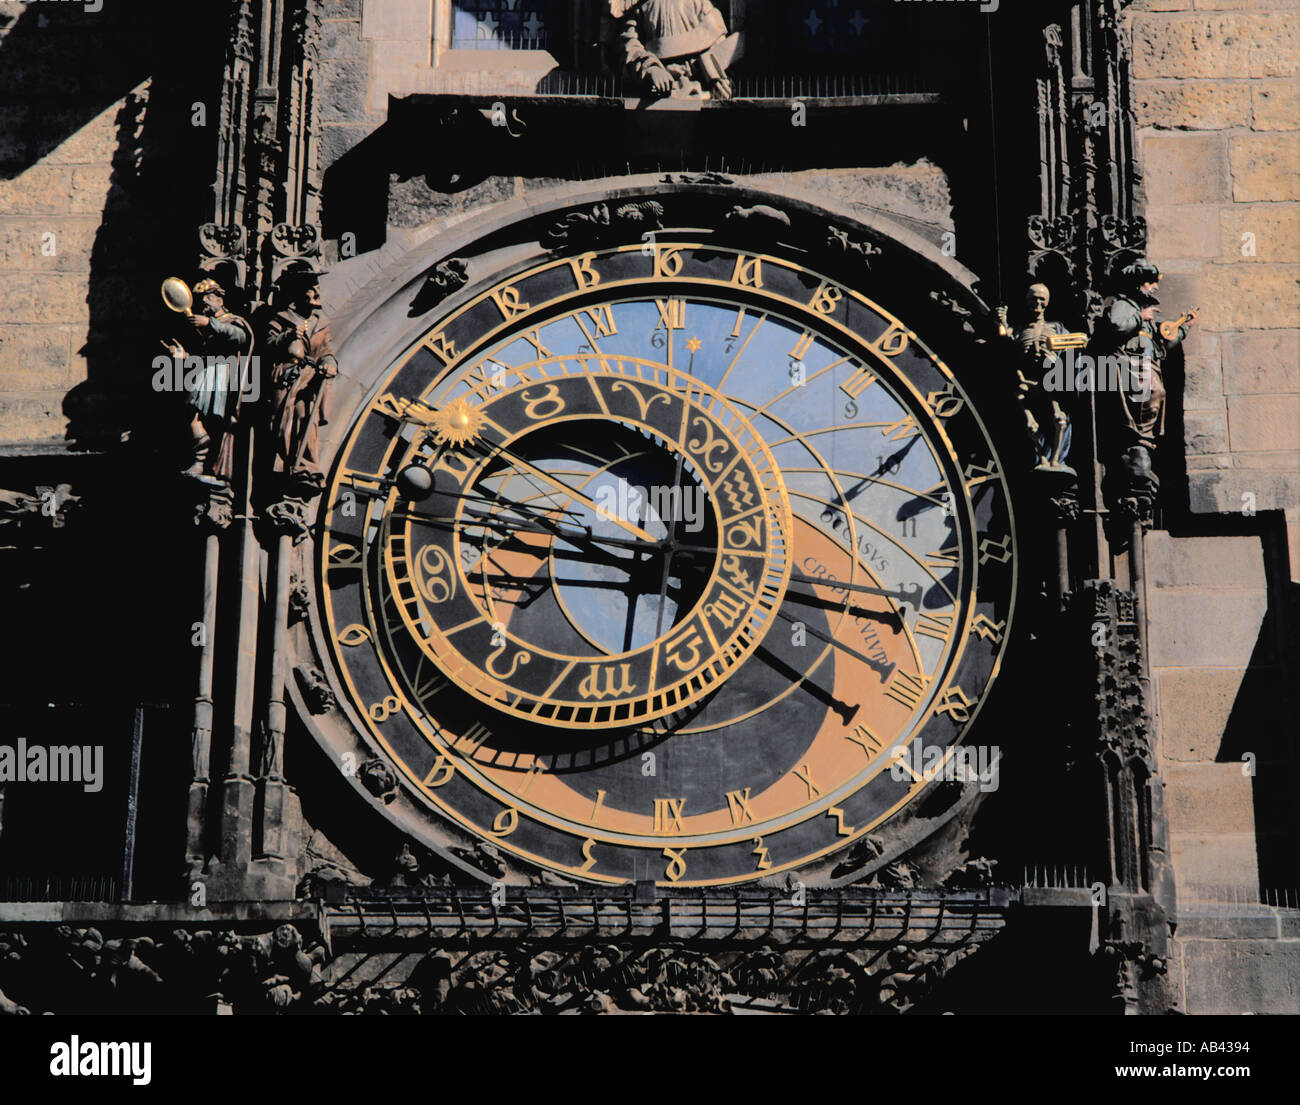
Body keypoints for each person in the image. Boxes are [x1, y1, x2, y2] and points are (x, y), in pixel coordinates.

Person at [161, 277, 254, 485]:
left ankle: (204, 462)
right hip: (207, 373)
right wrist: (184, 356)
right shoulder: (209, 330)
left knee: (215, 421)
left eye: (209, 298)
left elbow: (241, 338)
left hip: (223, 376)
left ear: (220, 300)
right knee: (191, 414)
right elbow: (207, 357)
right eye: (203, 300)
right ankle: (199, 461)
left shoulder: (232, 321)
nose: (205, 303)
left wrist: (210, 323)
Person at [265, 266, 337, 489]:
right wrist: (286, 336)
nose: (317, 292)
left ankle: (306, 463)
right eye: (311, 288)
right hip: (286, 376)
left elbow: (326, 353)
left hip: (309, 379)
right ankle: (285, 464)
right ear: (298, 293)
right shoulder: (281, 318)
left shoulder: (319, 324)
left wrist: (329, 365)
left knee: (306, 418)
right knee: (284, 419)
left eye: (317, 288)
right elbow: (267, 346)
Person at [613, 0, 742, 100]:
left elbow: (719, 48)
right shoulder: (642, 8)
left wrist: (719, 81)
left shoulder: (701, 4)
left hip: (698, 93)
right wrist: (651, 69)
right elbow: (628, 46)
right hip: (656, 95)